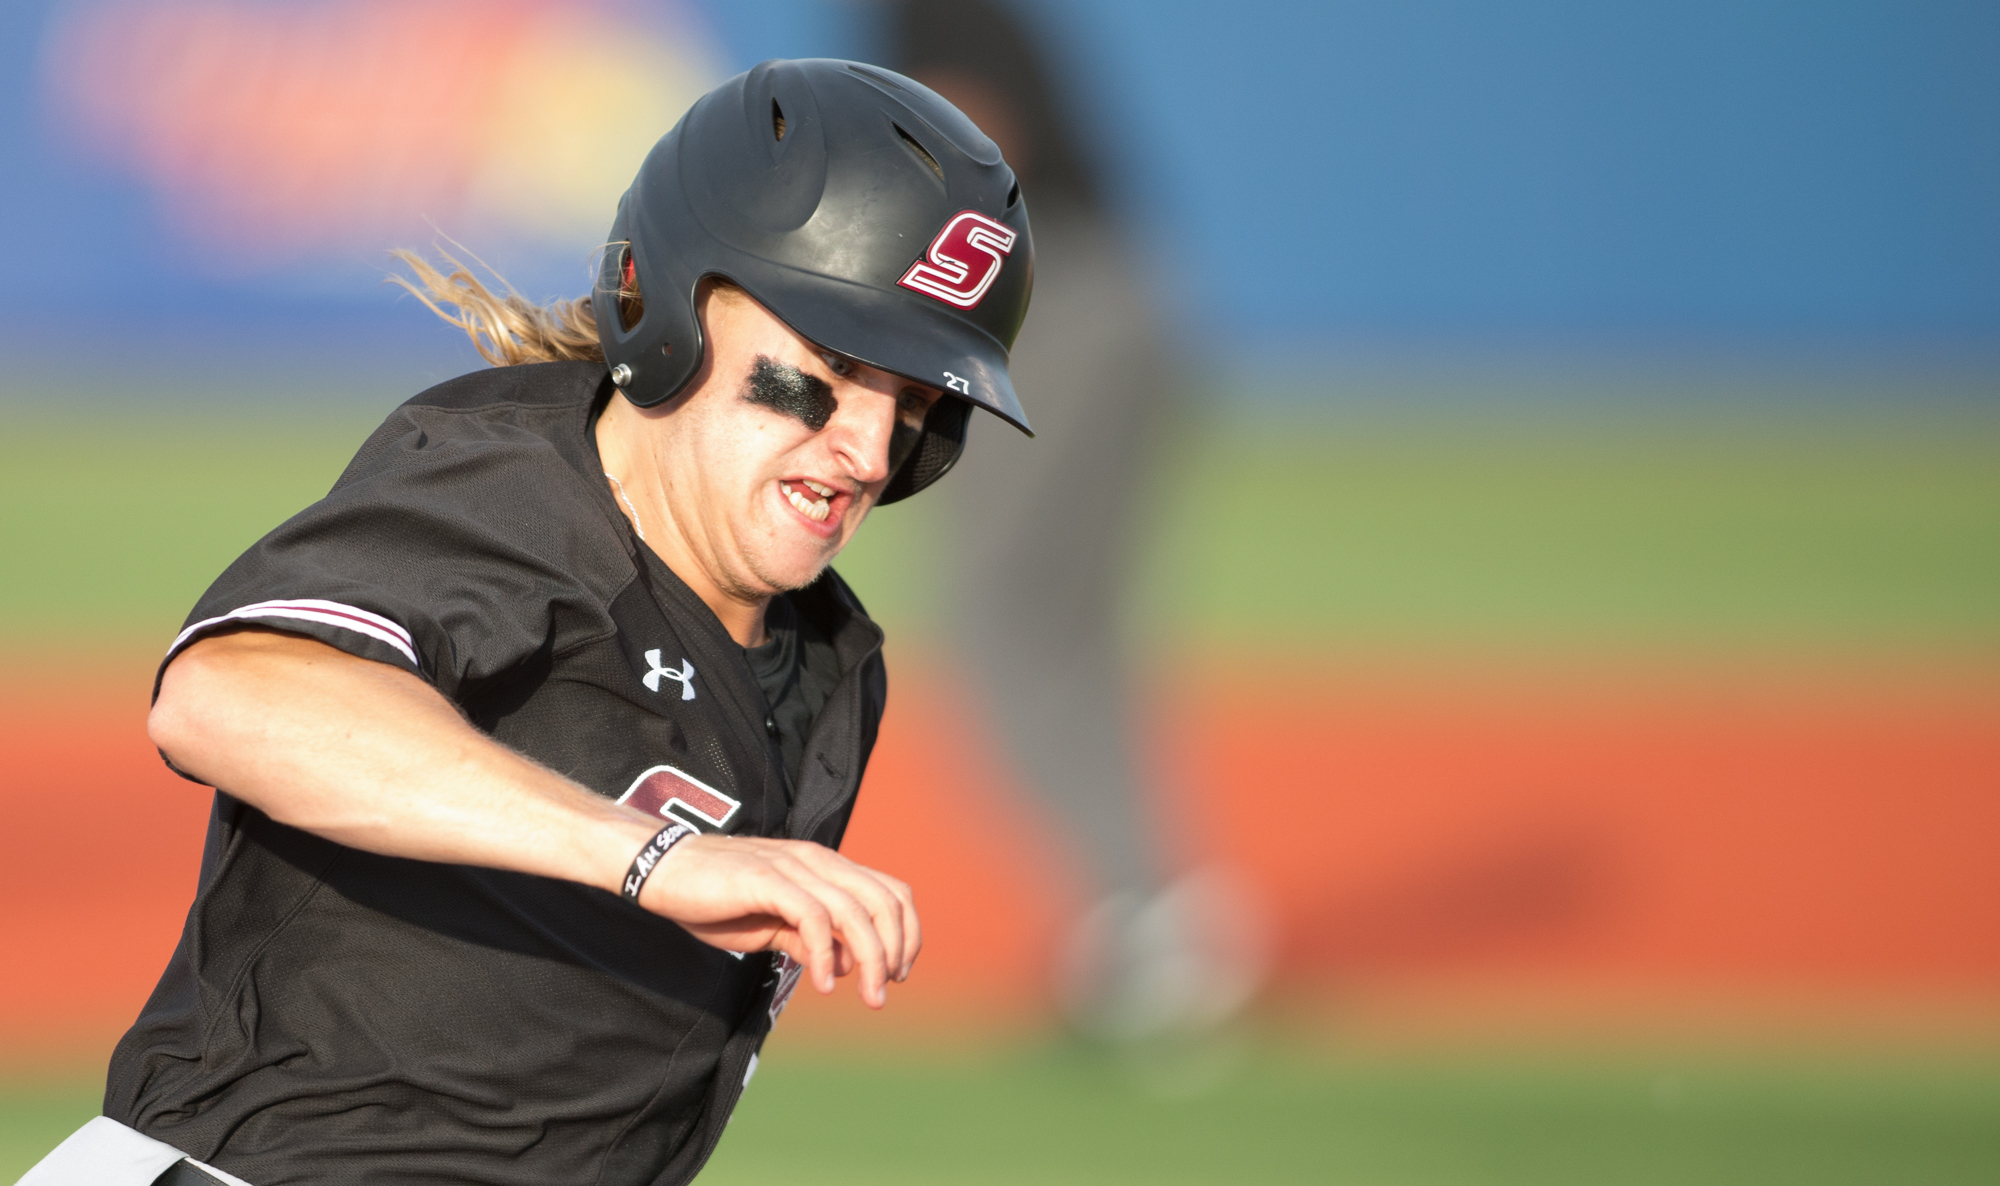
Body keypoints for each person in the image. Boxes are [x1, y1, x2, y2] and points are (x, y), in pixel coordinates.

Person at [22, 59, 1032, 1186]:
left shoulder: (828, 664)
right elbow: (231, 693)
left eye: (918, 402)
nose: (867, 447)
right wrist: (654, 858)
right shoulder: (518, 496)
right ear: (675, 314)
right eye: (827, 371)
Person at [884, 0, 1264, 1045]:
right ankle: (1149, 917)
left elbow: (969, 134)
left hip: (1055, 311)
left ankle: (1149, 918)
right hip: (1118, 296)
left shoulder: (926, 9)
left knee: (998, 619)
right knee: (1067, 631)